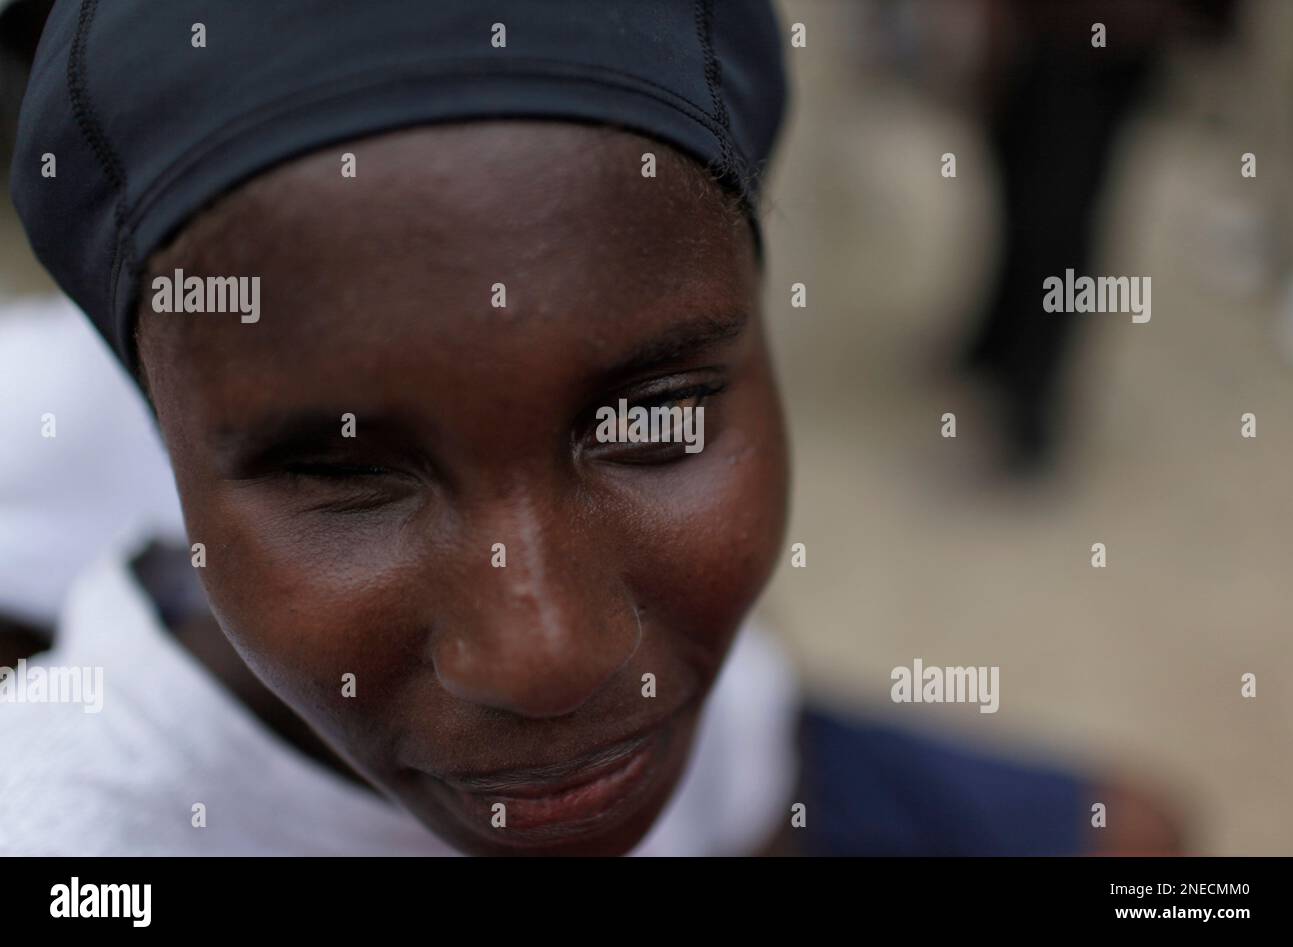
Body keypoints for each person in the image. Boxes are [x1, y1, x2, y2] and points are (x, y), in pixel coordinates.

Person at [2, 0, 1180, 856]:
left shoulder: (690, 718)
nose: (549, 654)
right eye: (347, 472)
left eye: (652, 419)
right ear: (158, 435)